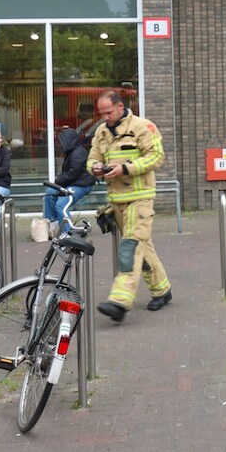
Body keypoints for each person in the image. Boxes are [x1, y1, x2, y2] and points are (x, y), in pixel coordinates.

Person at [90, 91, 173, 322]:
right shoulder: (102, 132)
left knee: (130, 247)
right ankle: (162, 290)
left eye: (108, 112)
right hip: (116, 200)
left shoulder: (143, 127)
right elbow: (92, 158)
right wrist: (96, 167)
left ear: (120, 106)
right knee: (143, 249)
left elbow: (156, 157)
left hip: (140, 198)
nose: (105, 117)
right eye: (102, 113)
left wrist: (125, 169)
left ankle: (120, 300)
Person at [44, 127, 96, 238]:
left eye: (62, 142)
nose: (60, 145)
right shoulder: (71, 151)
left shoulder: (77, 154)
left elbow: (72, 174)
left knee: (61, 204)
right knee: (49, 192)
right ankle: (52, 223)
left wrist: (58, 180)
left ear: (69, 141)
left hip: (82, 185)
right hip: (74, 182)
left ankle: (67, 233)